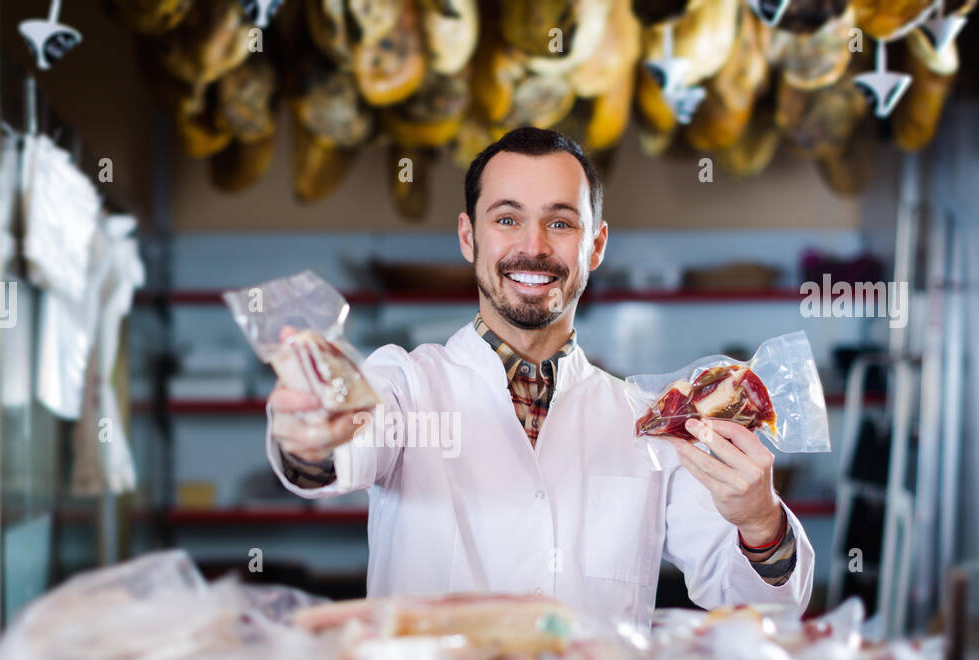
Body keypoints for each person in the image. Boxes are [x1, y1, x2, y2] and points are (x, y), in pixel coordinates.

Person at [264, 126, 812, 630]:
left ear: (594, 245)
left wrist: (760, 520)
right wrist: (310, 437)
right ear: (467, 237)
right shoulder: (406, 385)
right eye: (507, 219)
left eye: (560, 222)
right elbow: (338, 453)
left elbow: (758, 605)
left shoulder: (647, 422)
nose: (533, 247)